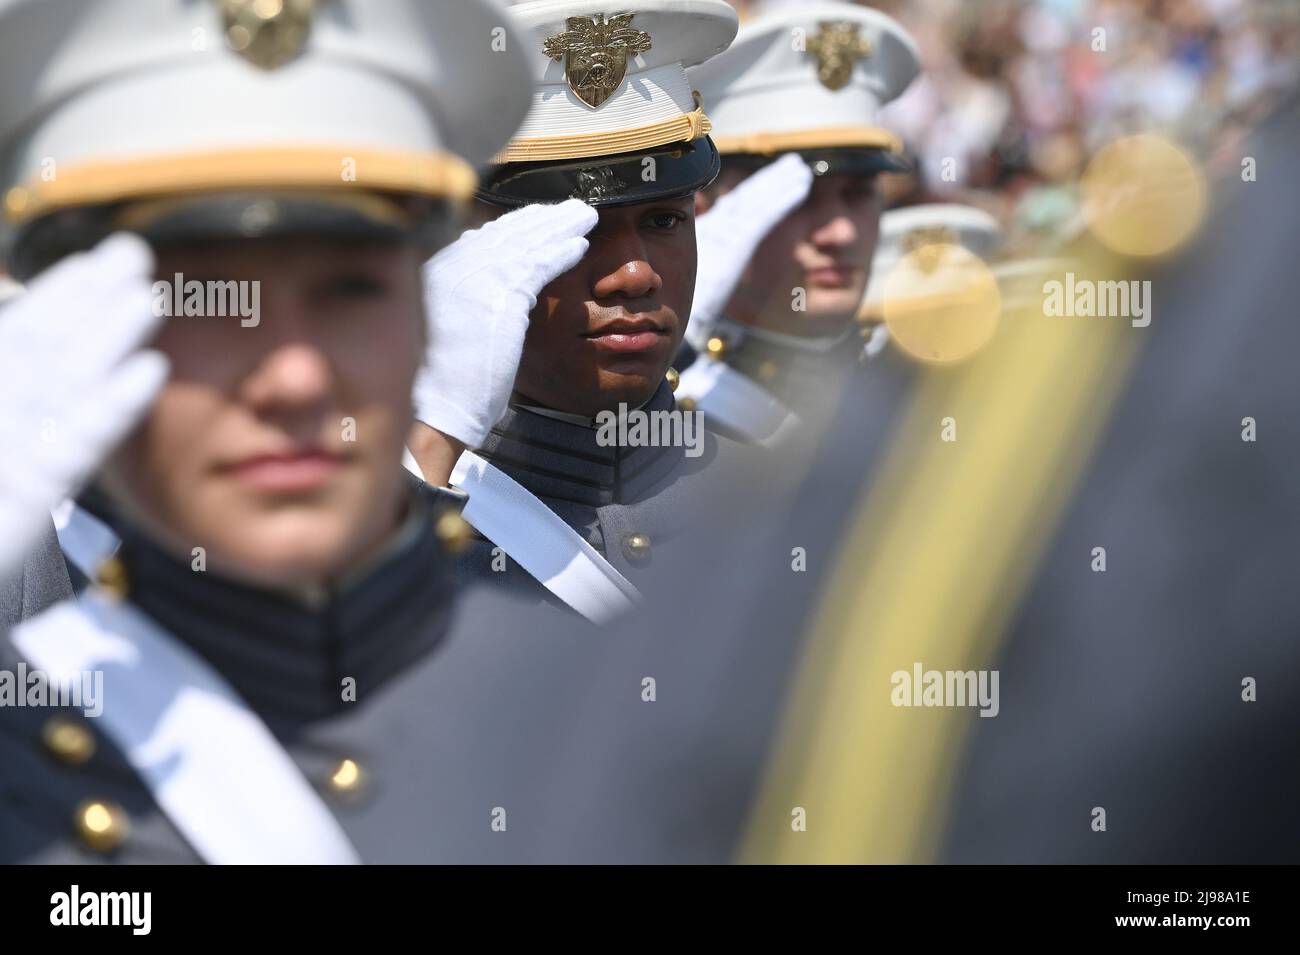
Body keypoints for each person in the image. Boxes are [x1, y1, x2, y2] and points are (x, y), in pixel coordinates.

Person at [0, 0, 548, 864]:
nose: (294, 378)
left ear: (427, 310)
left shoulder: (627, 679)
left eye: (350, 290)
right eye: (204, 299)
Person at [406, 0, 774, 620]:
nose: (634, 274)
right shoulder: (408, 539)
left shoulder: (773, 507)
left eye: (663, 220)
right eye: (572, 231)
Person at [674, 1, 920, 445]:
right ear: (706, 206)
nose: (842, 233)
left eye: (858, 193)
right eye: (800, 198)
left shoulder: (907, 403)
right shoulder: (676, 423)